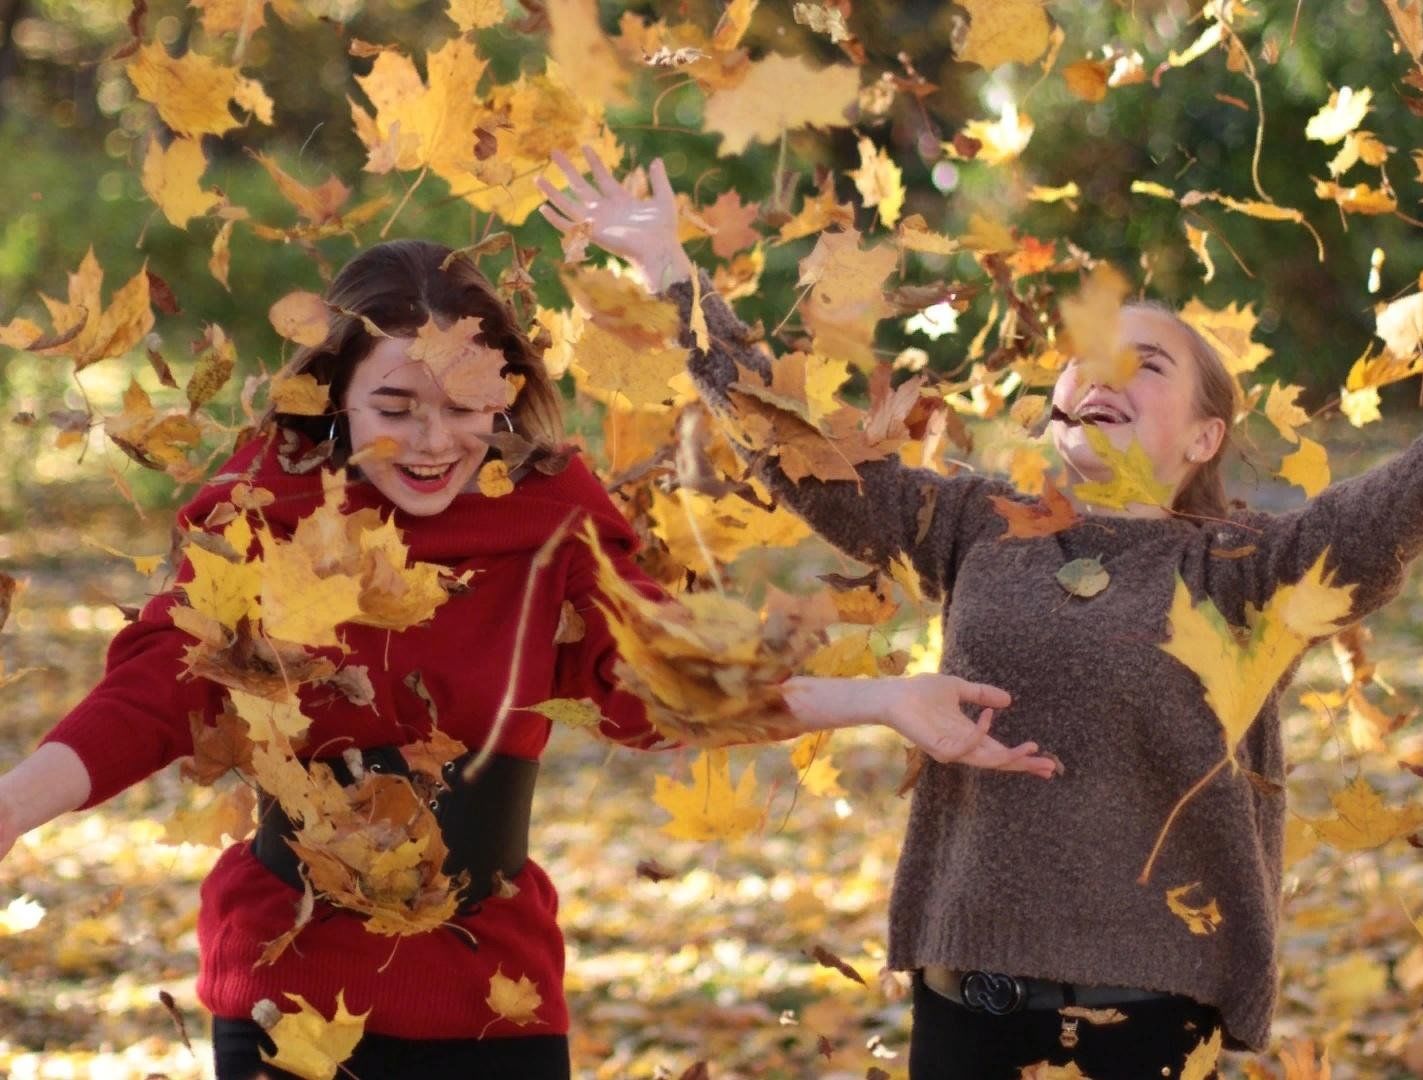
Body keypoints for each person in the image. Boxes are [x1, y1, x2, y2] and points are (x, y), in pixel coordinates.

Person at [0, 239, 1054, 1079]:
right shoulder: (269, 505)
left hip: (489, 982)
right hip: (292, 969)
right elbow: (156, 690)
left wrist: (885, 698)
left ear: (507, 396)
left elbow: (665, 680)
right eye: (395, 407)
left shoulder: (553, 515)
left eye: (466, 408)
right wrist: (13, 805)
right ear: (334, 396)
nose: (430, 442)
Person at [539, 148, 1423, 1079]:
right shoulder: (980, 524)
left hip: (1147, 1021)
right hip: (964, 1003)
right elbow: (793, 447)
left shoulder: (1252, 570)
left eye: (1146, 363)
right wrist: (671, 274)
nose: (1103, 374)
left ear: (1206, 435)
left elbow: (1408, 499)